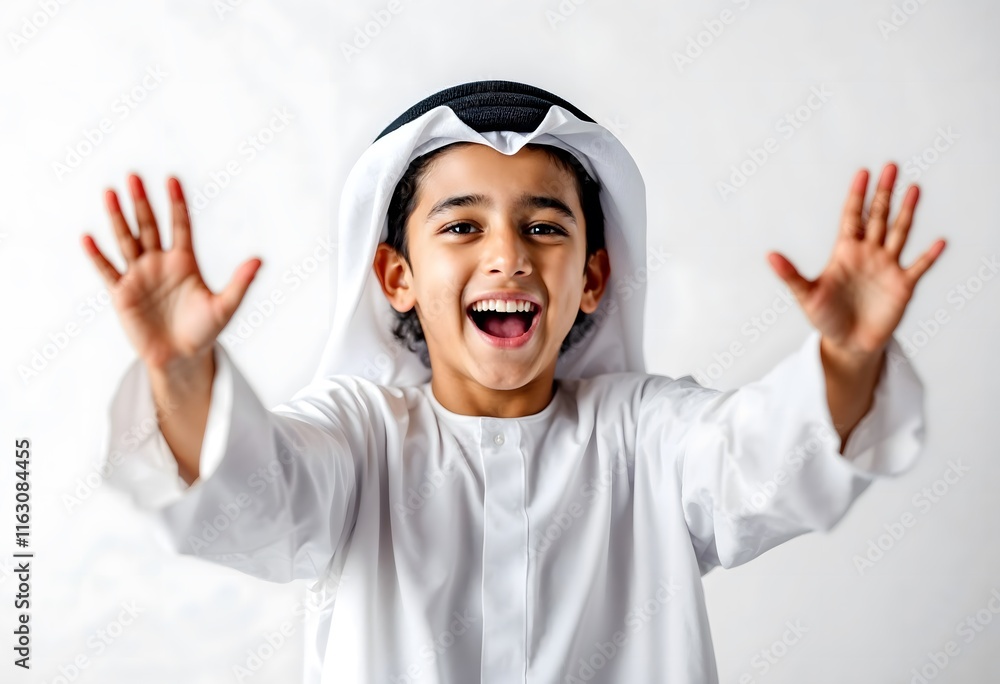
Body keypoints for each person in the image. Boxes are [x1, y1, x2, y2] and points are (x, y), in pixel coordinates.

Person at [82, 80, 946, 683]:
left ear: (593, 279)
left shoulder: (647, 436)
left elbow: (766, 463)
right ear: (396, 277)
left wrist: (847, 360)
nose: (508, 256)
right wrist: (183, 372)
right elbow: (255, 496)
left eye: (544, 226)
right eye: (462, 226)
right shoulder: (358, 437)